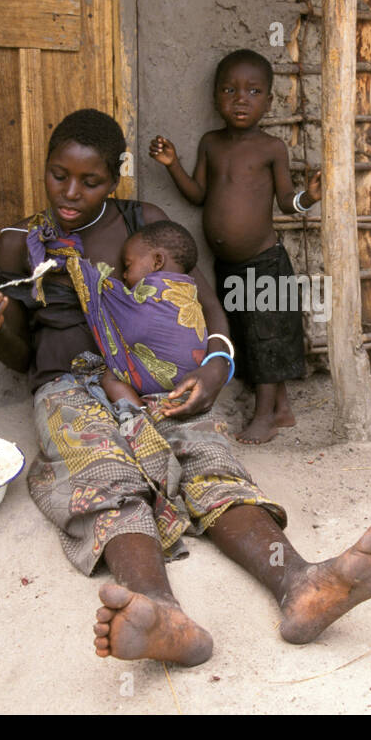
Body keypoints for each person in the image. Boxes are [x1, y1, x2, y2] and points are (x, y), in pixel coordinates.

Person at [0, 108, 371, 665]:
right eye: (58, 175)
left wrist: (216, 367)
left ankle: (303, 584)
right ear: (43, 169)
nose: (70, 193)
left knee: (208, 459)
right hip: (69, 385)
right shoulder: (21, 244)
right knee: (103, 472)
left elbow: (205, 304)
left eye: (91, 182)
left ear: (114, 178)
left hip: (156, 379)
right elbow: (19, 356)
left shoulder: (143, 224)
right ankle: (159, 611)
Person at [149, 49, 322, 444]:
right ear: (215, 97)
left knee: (268, 340)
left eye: (253, 91)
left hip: (264, 263)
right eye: (229, 89)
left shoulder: (271, 148)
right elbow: (197, 194)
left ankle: (264, 417)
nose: (240, 99)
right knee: (246, 336)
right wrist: (173, 163)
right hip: (228, 266)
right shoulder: (211, 144)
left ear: (269, 101)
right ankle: (280, 408)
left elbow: (285, 203)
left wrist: (309, 198)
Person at [46, 219, 209, 409]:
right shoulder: (188, 289)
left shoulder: (155, 289)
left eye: (128, 266)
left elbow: (107, 295)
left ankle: (136, 413)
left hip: (160, 379)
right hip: (190, 380)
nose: (123, 276)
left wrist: (79, 269)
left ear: (157, 261)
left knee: (110, 378)